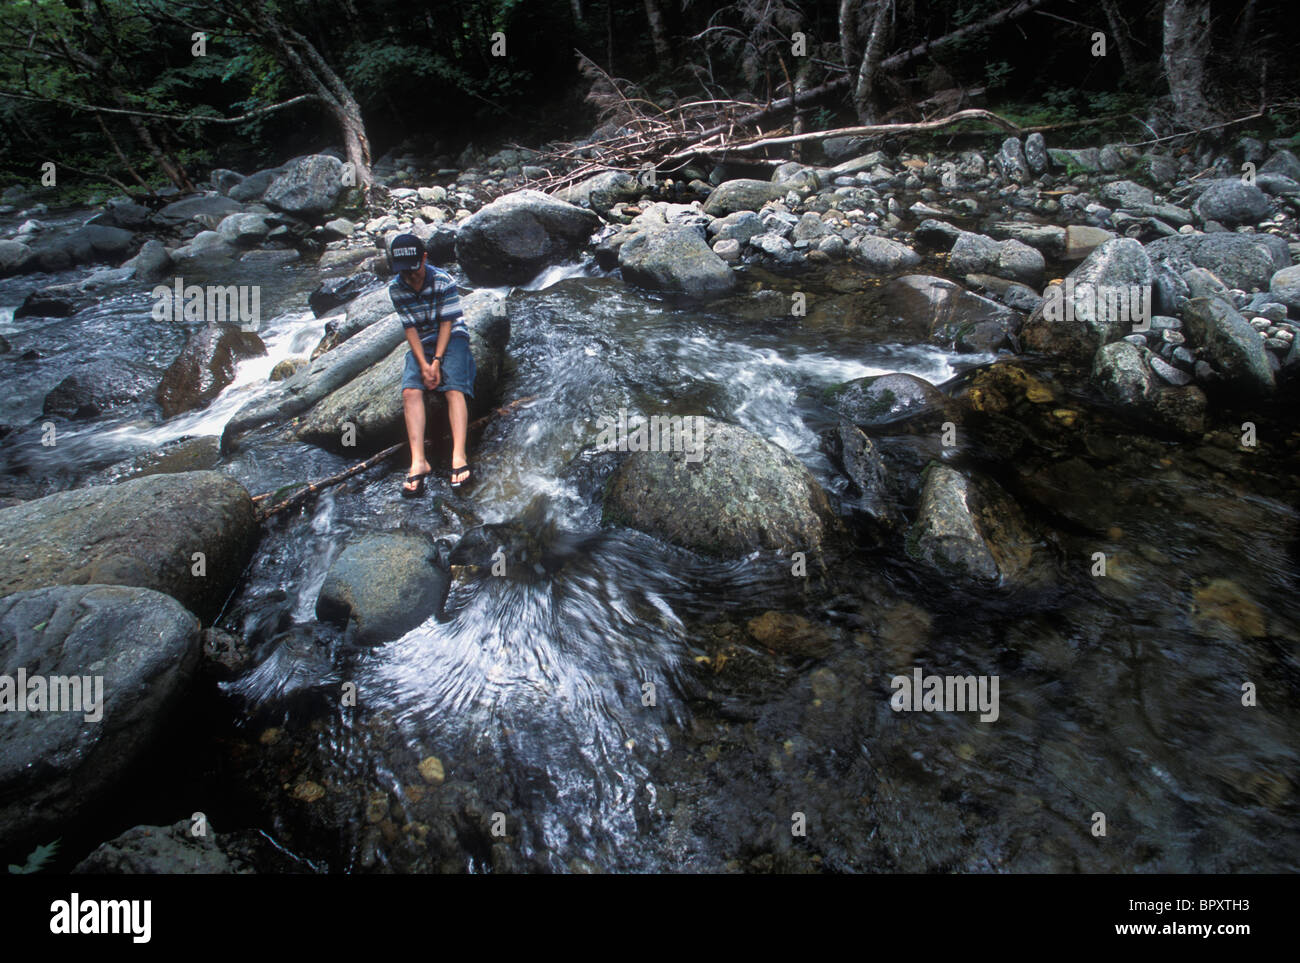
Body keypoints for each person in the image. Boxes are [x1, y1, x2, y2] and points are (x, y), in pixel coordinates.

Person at [387, 233, 476, 495]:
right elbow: (410, 329)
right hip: (422, 339)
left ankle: (458, 456)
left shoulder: (443, 281)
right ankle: (418, 461)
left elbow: (447, 324)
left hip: (451, 335)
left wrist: (436, 362)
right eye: (403, 272)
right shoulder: (396, 288)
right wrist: (423, 364)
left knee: (453, 388)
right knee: (410, 391)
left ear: (424, 258)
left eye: (413, 270)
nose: (409, 277)